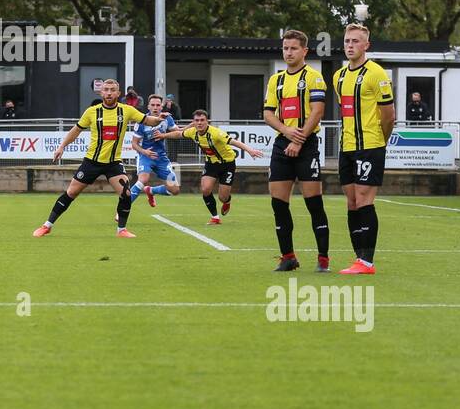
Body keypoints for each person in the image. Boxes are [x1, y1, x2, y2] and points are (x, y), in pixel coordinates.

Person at [33, 78, 163, 238]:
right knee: (71, 193)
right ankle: (47, 226)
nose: (109, 93)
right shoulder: (92, 112)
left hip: (113, 163)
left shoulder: (127, 110)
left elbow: (147, 120)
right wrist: (61, 146)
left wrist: (159, 119)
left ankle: (121, 230)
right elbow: (76, 130)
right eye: (106, 90)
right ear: (101, 92)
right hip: (91, 162)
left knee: (126, 194)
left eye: (112, 90)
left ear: (118, 93)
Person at [263, 30, 331, 272]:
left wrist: (299, 139)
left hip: (307, 143)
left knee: (314, 203)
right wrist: (285, 131)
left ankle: (323, 258)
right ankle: (288, 257)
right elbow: (268, 113)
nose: (288, 52)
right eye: (285, 48)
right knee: (278, 204)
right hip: (283, 143)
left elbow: (317, 111)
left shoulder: (314, 77)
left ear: (305, 51)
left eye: (293, 48)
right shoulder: (276, 80)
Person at [331, 23, 395, 275]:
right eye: (347, 41)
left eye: (355, 41)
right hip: (346, 146)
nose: (350, 45)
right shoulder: (339, 76)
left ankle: (367, 262)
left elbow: (388, 115)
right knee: (351, 202)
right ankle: (358, 257)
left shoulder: (376, 74)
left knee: (364, 200)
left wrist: (381, 140)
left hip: (370, 146)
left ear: (366, 45)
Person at [154, 110, 263, 224]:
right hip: (211, 164)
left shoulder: (216, 133)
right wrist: (163, 135)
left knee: (223, 197)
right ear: (193, 122)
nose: (199, 123)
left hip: (227, 164)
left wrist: (250, 150)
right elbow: (178, 134)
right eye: (197, 120)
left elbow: (234, 142)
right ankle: (215, 217)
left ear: (207, 122)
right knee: (205, 189)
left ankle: (227, 201)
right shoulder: (192, 132)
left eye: (202, 120)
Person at [128, 94, 180, 206]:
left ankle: (151, 191)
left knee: (175, 190)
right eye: (153, 105)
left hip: (161, 158)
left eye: (158, 105)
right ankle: (123, 208)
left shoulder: (167, 119)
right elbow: (134, 144)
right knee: (143, 179)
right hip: (145, 156)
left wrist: (192, 125)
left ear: (162, 107)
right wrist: (145, 152)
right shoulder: (142, 121)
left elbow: (179, 133)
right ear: (148, 107)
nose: (155, 107)